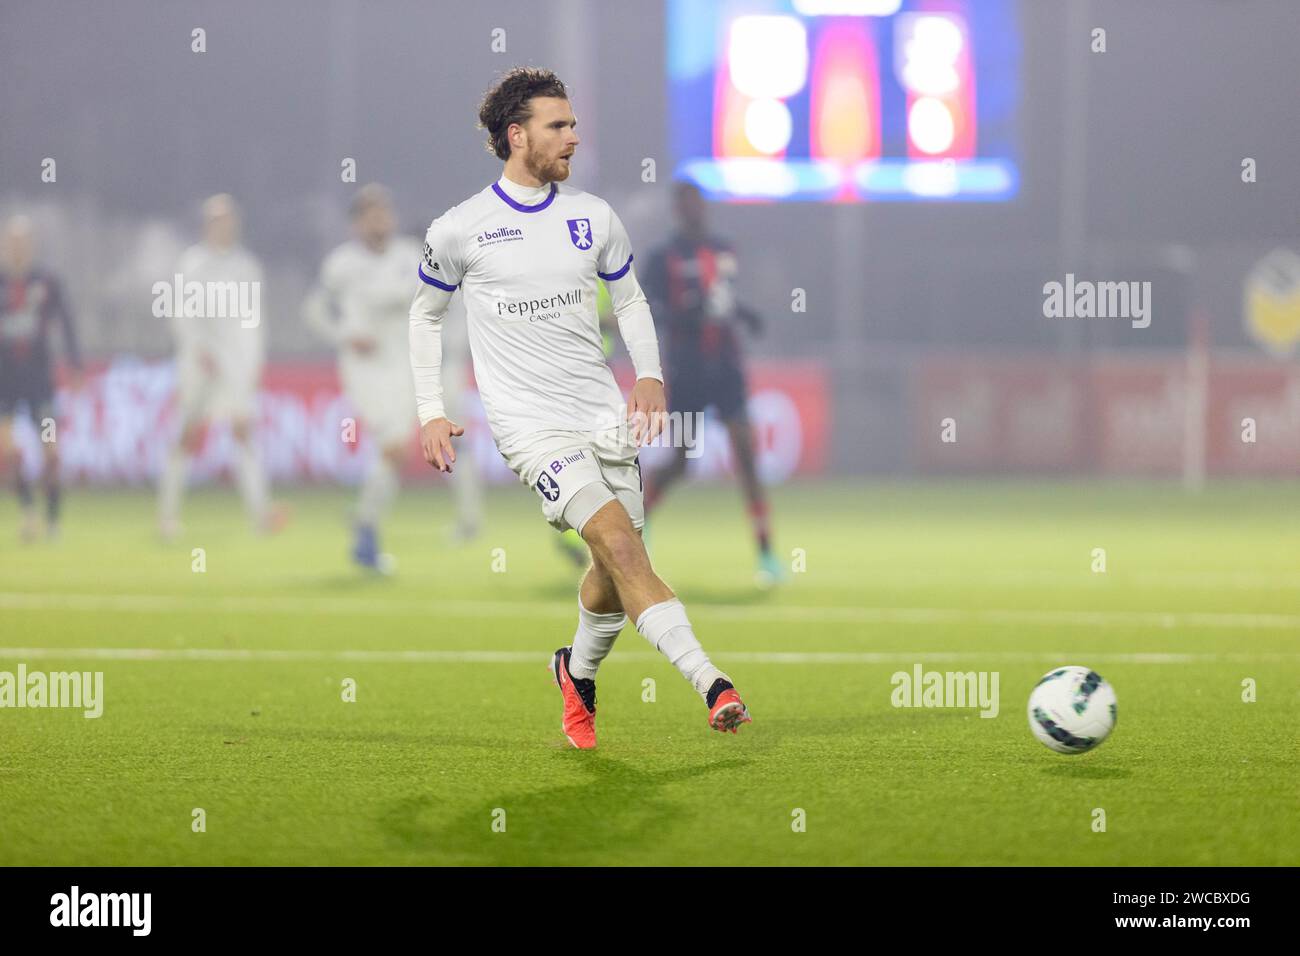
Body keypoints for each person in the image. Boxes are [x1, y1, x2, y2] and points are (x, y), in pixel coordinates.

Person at [408, 68, 751, 749]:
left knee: (613, 573)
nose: (572, 136)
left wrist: (649, 376)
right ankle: (712, 682)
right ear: (517, 135)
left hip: (604, 418)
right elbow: (424, 314)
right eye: (557, 125)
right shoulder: (461, 228)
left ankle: (575, 672)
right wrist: (429, 408)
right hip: (531, 428)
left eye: (572, 123)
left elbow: (628, 300)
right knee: (622, 546)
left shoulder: (594, 218)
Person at [305, 184, 481, 571]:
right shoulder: (342, 263)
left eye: (384, 213)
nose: (379, 220)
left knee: (398, 451)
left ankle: (366, 531)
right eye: (370, 214)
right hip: (365, 370)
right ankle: (366, 535)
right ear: (356, 223)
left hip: (406, 366)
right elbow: (315, 310)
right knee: (393, 447)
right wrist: (346, 335)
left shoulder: (409, 255)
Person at [641, 181, 783, 587]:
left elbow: (724, 299)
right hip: (687, 369)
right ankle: (639, 521)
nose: (693, 210)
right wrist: (684, 315)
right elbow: (651, 309)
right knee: (683, 461)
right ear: (677, 209)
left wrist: (746, 315)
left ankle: (767, 553)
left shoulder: (724, 249)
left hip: (726, 368)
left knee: (747, 454)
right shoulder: (662, 257)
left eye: (697, 202)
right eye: (685, 203)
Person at [158, 194, 283, 539]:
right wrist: (198, 350)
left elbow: (255, 322)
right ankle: (167, 516)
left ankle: (261, 514)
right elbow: (181, 314)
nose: (223, 226)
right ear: (206, 225)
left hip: (236, 365)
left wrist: (253, 365)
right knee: (187, 435)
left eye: (228, 220)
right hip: (200, 365)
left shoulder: (246, 265)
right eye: (216, 220)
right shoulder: (193, 263)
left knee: (243, 432)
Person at [0, 216, 81, 542]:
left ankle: (52, 520)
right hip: (4, 381)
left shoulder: (47, 280)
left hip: (39, 380)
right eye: (12, 242)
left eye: (23, 242)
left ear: (30, 246)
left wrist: (75, 363)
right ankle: (28, 513)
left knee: (51, 452)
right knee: (9, 451)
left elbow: (66, 320)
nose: (18, 248)